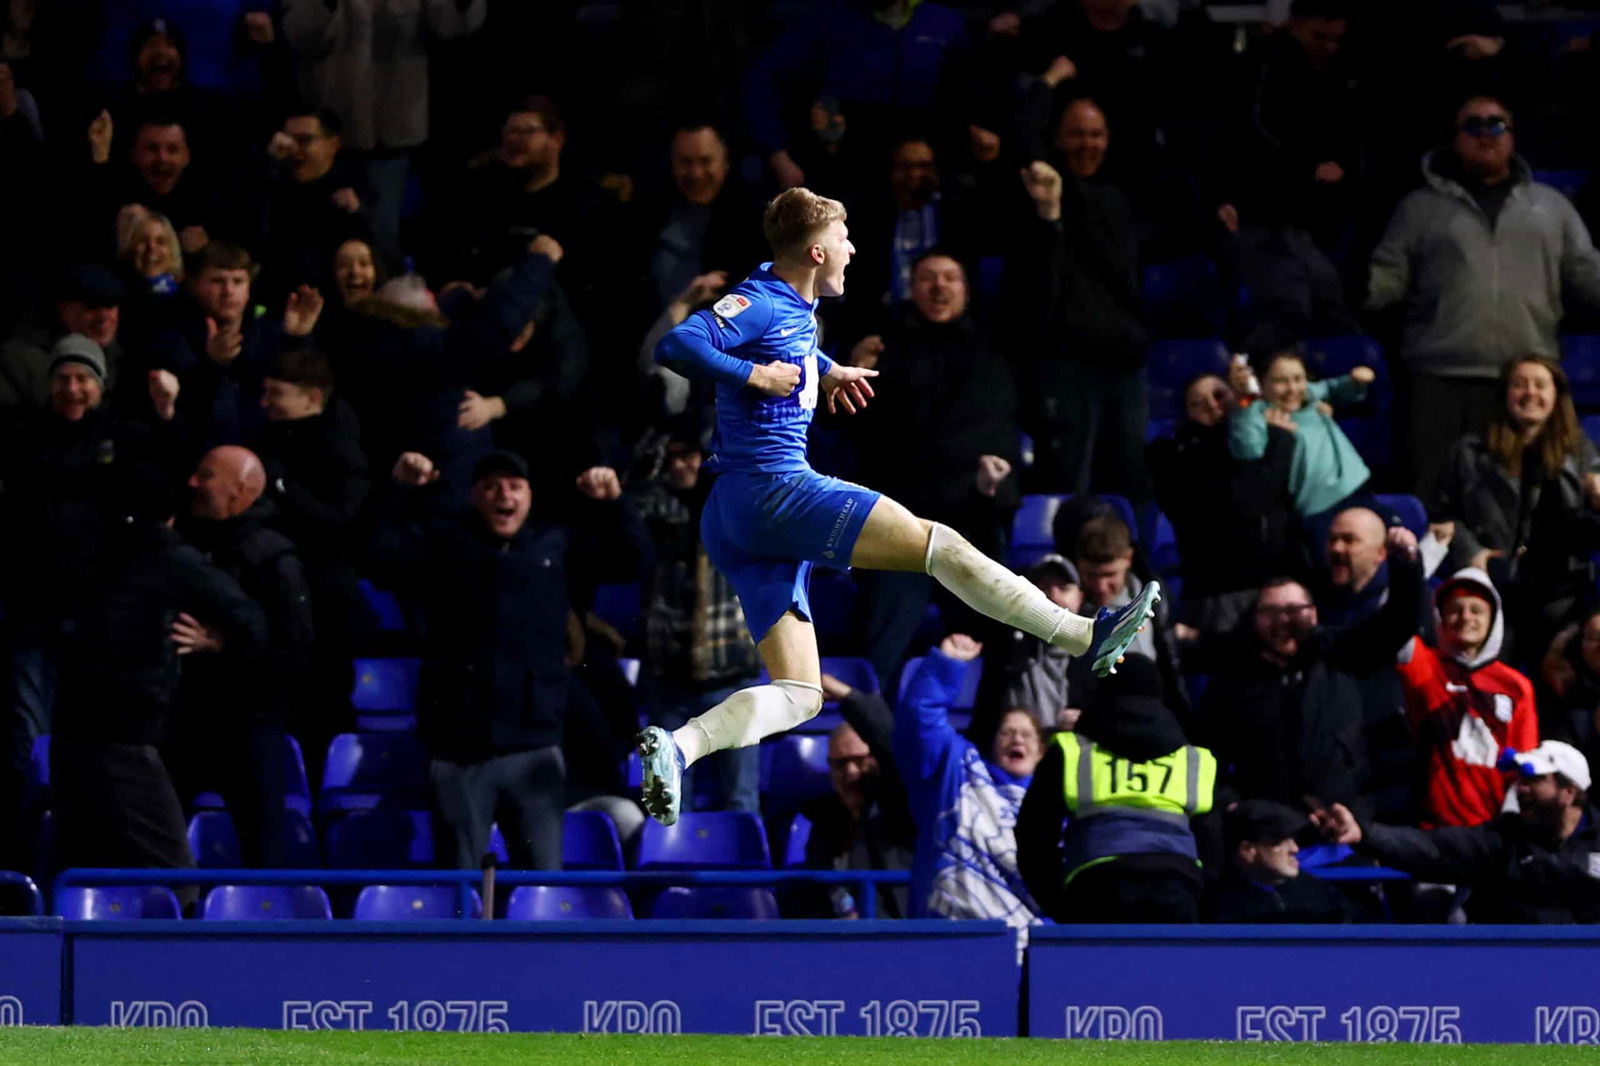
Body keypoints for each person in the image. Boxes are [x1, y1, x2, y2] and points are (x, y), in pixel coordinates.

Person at [639, 186, 1159, 826]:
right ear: (816, 249)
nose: (855, 249)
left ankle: (679, 747)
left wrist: (824, 369)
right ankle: (1083, 634)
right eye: (846, 239)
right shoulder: (762, 298)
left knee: (801, 694)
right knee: (938, 545)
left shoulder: (791, 301)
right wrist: (755, 377)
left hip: (736, 517)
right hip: (771, 489)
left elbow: (782, 342)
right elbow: (677, 346)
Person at [371, 449, 651, 869]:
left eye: (515, 486)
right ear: (474, 496)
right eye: (491, 486)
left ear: (530, 496)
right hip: (458, 749)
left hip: (535, 748)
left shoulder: (557, 546)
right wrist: (398, 490)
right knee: (462, 888)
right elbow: (375, 556)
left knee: (542, 885)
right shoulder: (444, 545)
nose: (504, 495)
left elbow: (634, 561)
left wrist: (614, 503)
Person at [1366, 94, 1600, 496]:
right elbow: (1384, 282)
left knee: (1529, 507)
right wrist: (1353, 285)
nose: (1486, 134)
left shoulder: (1552, 207)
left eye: (1497, 125)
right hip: (1438, 385)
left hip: (1526, 383)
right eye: (1473, 125)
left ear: (1512, 137)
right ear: (1455, 138)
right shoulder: (1419, 209)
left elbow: (1588, 276)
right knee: (1436, 506)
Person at [51, 478, 268, 880]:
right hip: (129, 731)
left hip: (70, 728)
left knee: (81, 866)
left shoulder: (90, 554)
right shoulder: (176, 560)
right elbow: (253, 624)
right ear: (171, 517)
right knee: (173, 873)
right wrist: (215, 642)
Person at [845, 250, 1021, 684]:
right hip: (902, 527)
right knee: (881, 653)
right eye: (927, 278)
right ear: (911, 287)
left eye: (950, 278)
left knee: (989, 647)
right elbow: (855, 432)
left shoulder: (996, 344)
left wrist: (992, 490)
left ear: (966, 288)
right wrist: (854, 373)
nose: (939, 287)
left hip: (973, 521)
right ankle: (870, 743)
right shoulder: (884, 346)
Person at [1189, 526, 1426, 821]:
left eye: (1293, 609)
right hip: (1268, 832)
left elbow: (1400, 621)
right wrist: (1238, 809)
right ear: (1255, 619)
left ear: (1313, 614)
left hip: (1347, 825)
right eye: (1271, 612)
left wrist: (1406, 566)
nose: (1284, 621)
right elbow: (1204, 760)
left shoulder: (1341, 655)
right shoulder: (1231, 680)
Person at [170, 445, 316, 867]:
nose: (193, 483)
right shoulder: (187, 543)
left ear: (241, 491)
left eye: (206, 476)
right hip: (187, 721)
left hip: (250, 726)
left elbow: (296, 652)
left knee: (264, 849)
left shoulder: (274, 557)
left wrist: (221, 647)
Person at [1011, 100, 1150, 499]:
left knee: (1128, 481)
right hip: (1067, 368)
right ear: (1057, 139)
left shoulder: (1124, 198)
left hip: (1124, 365)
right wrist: (1046, 87)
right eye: (1076, 134)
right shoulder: (1040, 194)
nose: (1087, 144)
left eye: (1096, 134)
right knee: (1070, 483)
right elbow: (1022, 131)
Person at [625, 417, 763, 813]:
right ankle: (673, 876)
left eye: (686, 456)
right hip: (670, 683)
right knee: (670, 802)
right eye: (669, 459)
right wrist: (652, 461)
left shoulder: (729, 505)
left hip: (732, 679)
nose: (678, 466)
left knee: (741, 799)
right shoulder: (655, 508)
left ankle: (746, 876)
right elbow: (632, 501)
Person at [1016, 654, 1217, 923]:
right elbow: (1213, 844)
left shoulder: (1071, 750)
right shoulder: (1194, 759)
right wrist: (1200, 896)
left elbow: (1034, 836)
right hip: (1177, 888)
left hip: (1094, 889)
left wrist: (1058, 902)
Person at [281, 0, 486, 256]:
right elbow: (299, 36)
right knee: (318, 234)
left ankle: (382, 291)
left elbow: (452, 25)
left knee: (382, 236)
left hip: (394, 135)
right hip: (330, 132)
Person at [1314, 741, 1600, 923]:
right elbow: (1433, 849)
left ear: (1568, 792)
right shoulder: (1504, 838)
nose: (1520, 789)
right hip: (1511, 967)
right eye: (1520, 780)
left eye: (1534, 780)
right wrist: (1365, 834)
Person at [252, 347, 370, 784]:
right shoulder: (266, 440)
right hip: (276, 600)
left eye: (276, 394)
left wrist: (282, 486)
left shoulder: (339, 450)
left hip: (324, 604)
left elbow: (339, 521)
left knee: (325, 707)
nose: (265, 403)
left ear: (312, 398)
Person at [1431, 356, 1600, 659]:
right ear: (1505, 394)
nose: (1530, 393)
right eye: (1519, 384)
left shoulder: (1582, 453)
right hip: (1494, 585)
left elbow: (1591, 529)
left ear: (1555, 395)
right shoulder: (1469, 451)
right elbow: (1443, 515)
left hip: (1561, 592)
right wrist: (1472, 554)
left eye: (1540, 385)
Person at [1218, 0, 1361, 356]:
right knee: (1286, 311)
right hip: (1261, 213)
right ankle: (1257, 389)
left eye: (1335, 39)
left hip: (1308, 223)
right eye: (1319, 36)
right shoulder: (1261, 65)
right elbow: (1247, 134)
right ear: (1295, 25)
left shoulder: (1337, 72)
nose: (1327, 46)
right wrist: (1308, 169)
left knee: (1331, 304)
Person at [894, 634, 1042, 934]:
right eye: (1007, 733)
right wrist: (945, 666)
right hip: (949, 935)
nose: (1016, 739)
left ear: (1041, 752)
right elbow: (920, 723)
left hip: (1029, 944)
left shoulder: (1053, 804)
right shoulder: (961, 772)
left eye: (1026, 735)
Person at [1147, 373, 1297, 635]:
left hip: (1273, 583)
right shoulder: (1178, 454)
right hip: (1219, 594)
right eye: (1197, 403)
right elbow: (1249, 501)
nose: (1212, 405)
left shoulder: (1255, 435)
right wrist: (1280, 441)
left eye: (1219, 395)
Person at [1397, 568, 1538, 828]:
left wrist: (1510, 824)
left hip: (1492, 831)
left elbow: (1524, 761)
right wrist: (1411, 562)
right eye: (1455, 609)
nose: (1465, 617)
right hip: (1430, 830)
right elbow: (1397, 619)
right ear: (1439, 618)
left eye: (1476, 610)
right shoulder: (1424, 664)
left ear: (1493, 619)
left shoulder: (1517, 686)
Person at [147, 242, 323, 448]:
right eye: (217, 281)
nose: (228, 291)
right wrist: (212, 364)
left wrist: (297, 339)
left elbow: (302, 396)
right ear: (194, 285)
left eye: (238, 281)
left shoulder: (269, 333)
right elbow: (183, 414)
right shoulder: (170, 337)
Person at [1228, 347, 1375, 550]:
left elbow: (1331, 387)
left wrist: (1353, 382)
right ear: (1261, 384)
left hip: (1358, 488)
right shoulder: (1258, 413)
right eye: (1280, 381)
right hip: (1319, 511)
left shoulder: (1309, 393)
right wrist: (1245, 402)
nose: (1292, 389)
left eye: (1298, 378)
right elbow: (1247, 449)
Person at [1208, 799, 1360, 923]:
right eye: (1280, 842)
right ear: (1248, 850)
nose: (1294, 849)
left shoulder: (1319, 892)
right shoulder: (1219, 904)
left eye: (1293, 839)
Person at [0, 264, 127, 412]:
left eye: (110, 306)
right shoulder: (18, 359)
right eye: (92, 307)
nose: (104, 318)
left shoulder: (127, 355)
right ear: (64, 309)